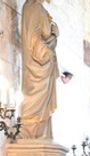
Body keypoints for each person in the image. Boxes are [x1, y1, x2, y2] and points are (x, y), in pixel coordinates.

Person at [20, 0, 60, 140]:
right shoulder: (33, 7)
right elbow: (32, 40)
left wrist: (54, 37)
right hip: (38, 66)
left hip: (44, 65)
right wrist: (48, 52)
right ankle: (30, 132)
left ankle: (40, 133)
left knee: (42, 103)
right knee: (34, 99)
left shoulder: (39, 8)